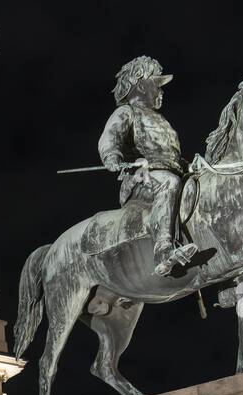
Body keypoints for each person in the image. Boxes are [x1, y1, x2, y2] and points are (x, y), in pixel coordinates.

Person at [98, 55, 198, 277]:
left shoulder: (162, 121)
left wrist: (190, 166)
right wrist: (113, 157)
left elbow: (171, 156)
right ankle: (163, 251)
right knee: (169, 183)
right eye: (157, 84)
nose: (161, 91)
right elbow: (110, 138)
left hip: (170, 172)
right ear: (141, 84)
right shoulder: (127, 112)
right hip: (142, 180)